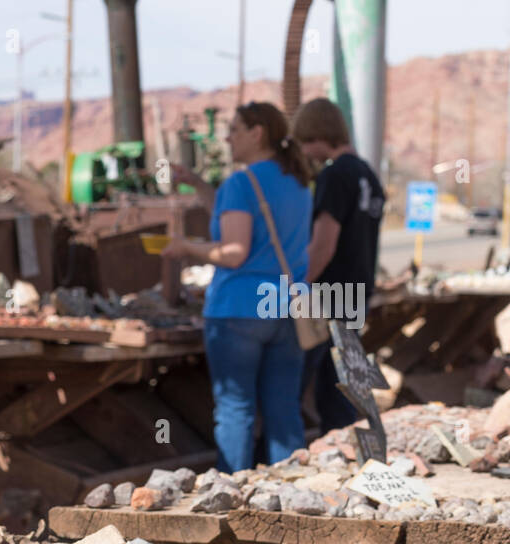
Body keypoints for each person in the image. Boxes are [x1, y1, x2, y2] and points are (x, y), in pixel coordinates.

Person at [162, 101, 312, 473]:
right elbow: (241, 216)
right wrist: (197, 184)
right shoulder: (297, 182)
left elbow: (233, 253)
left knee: (236, 409)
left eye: (235, 130)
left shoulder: (242, 183)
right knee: (283, 408)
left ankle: (230, 495)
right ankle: (292, 497)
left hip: (239, 308)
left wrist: (186, 248)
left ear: (256, 133)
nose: (227, 138)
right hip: (287, 307)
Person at [293, 97, 385, 432]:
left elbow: (323, 246)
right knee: (343, 382)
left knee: (307, 381)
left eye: (304, 141)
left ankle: (327, 451)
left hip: (328, 296)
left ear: (316, 134)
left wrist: (296, 288)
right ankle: (345, 447)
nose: (304, 150)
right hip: (357, 293)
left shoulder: (334, 176)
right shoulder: (367, 175)